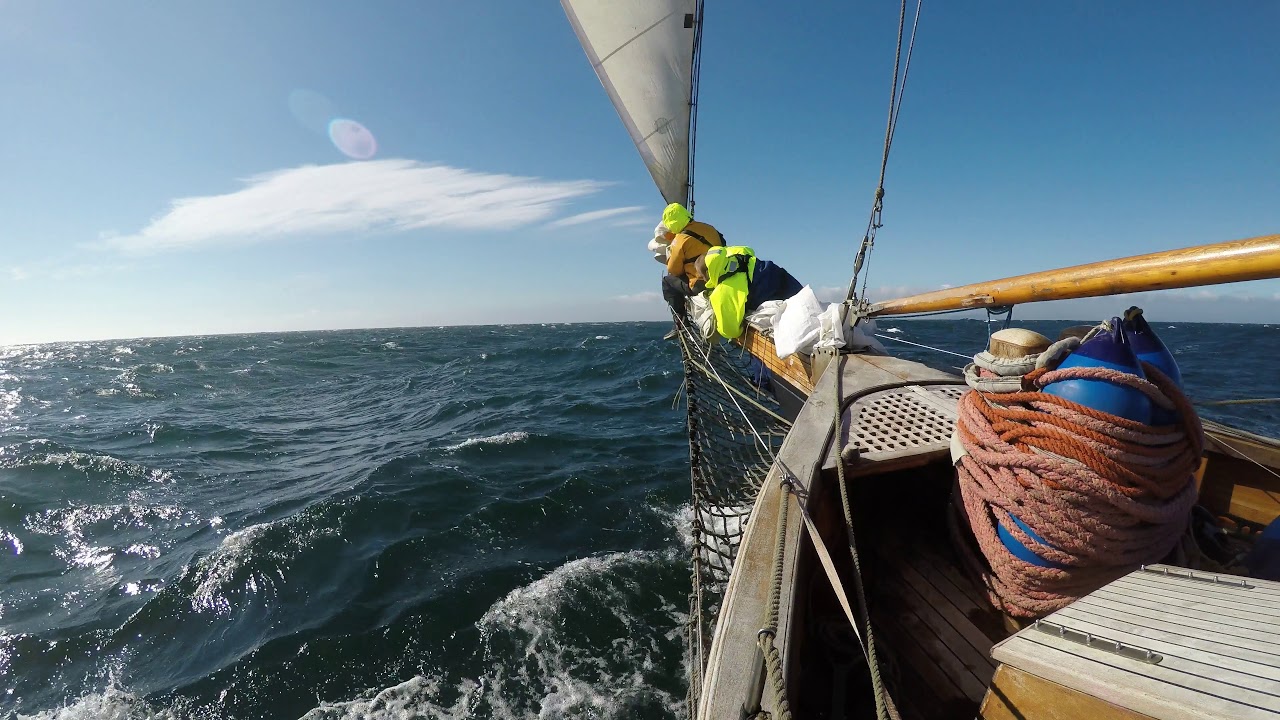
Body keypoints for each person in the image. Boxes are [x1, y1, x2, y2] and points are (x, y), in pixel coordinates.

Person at [697, 245, 803, 339]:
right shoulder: (740, 253)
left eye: (702, 276)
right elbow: (746, 249)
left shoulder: (723, 292)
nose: (703, 279)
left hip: (784, 305)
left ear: (708, 273)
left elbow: (730, 332)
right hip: (792, 286)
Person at [659, 203, 724, 323]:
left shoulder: (679, 240)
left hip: (701, 283)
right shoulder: (710, 228)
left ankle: (680, 321)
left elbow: (674, 270)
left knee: (667, 281)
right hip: (721, 279)